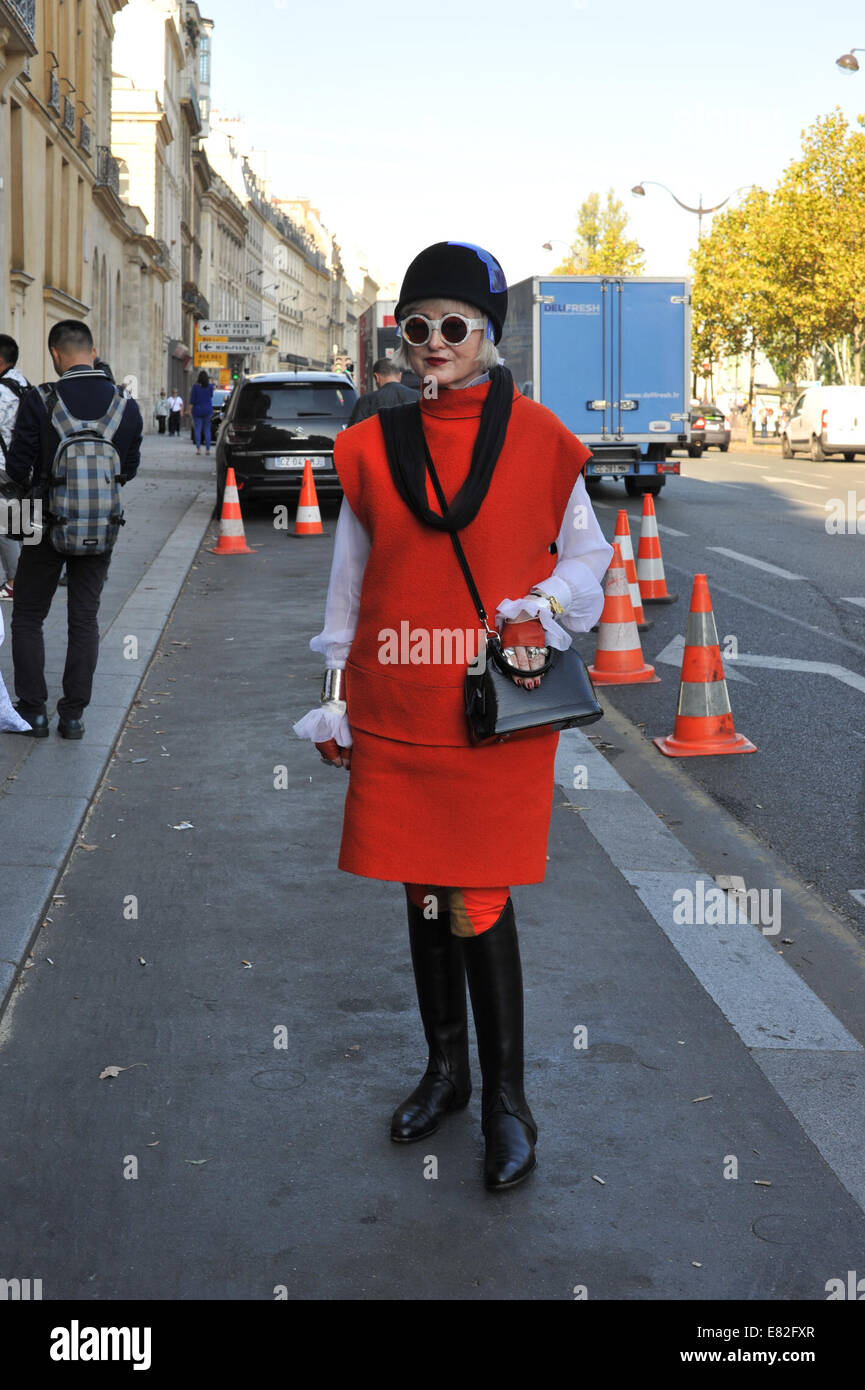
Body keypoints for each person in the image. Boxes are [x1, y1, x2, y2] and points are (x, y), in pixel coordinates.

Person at [293, 242, 613, 1192]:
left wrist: (542, 605)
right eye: (416, 325)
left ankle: (509, 1100)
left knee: (477, 893)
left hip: (491, 707)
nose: (431, 343)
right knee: (419, 889)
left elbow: (590, 562)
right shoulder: (367, 445)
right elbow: (346, 590)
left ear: (487, 336)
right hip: (394, 701)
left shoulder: (545, 439)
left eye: (452, 326)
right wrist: (334, 700)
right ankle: (445, 1072)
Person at [3, 319, 143, 739]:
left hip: (36, 518)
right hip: (100, 521)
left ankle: (34, 711)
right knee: (84, 619)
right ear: (92, 352)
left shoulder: (39, 398)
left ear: (55, 355)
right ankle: (74, 716)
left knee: (28, 615)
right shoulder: (125, 404)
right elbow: (129, 470)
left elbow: (16, 468)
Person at [0, 333, 30, 603]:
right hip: (23, 465)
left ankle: (13, 582)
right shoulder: (24, 384)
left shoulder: (0, 391)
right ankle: (25, 578)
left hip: (1, 466)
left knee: (5, 527)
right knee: (19, 523)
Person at [347, 357, 419, 426]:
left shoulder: (366, 401)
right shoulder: (418, 397)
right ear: (400, 376)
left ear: (377, 377)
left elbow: (354, 431)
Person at [189, 371, 214, 454]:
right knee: (207, 430)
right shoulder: (210, 387)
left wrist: (189, 410)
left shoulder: (195, 387)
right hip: (207, 410)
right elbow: (211, 396)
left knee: (198, 429)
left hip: (197, 410)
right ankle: (207, 449)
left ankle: (198, 449)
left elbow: (192, 400)